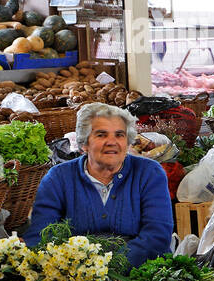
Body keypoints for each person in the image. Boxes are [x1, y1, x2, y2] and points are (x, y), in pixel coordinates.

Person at [24, 103, 172, 267]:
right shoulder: (58, 178)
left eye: (119, 135)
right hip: (76, 273)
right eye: (101, 135)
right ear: (84, 144)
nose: (112, 142)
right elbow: (40, 235)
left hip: (141, 271)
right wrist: (75, 267)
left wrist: (108, 267)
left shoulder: (149, 173)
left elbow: (157, 235)